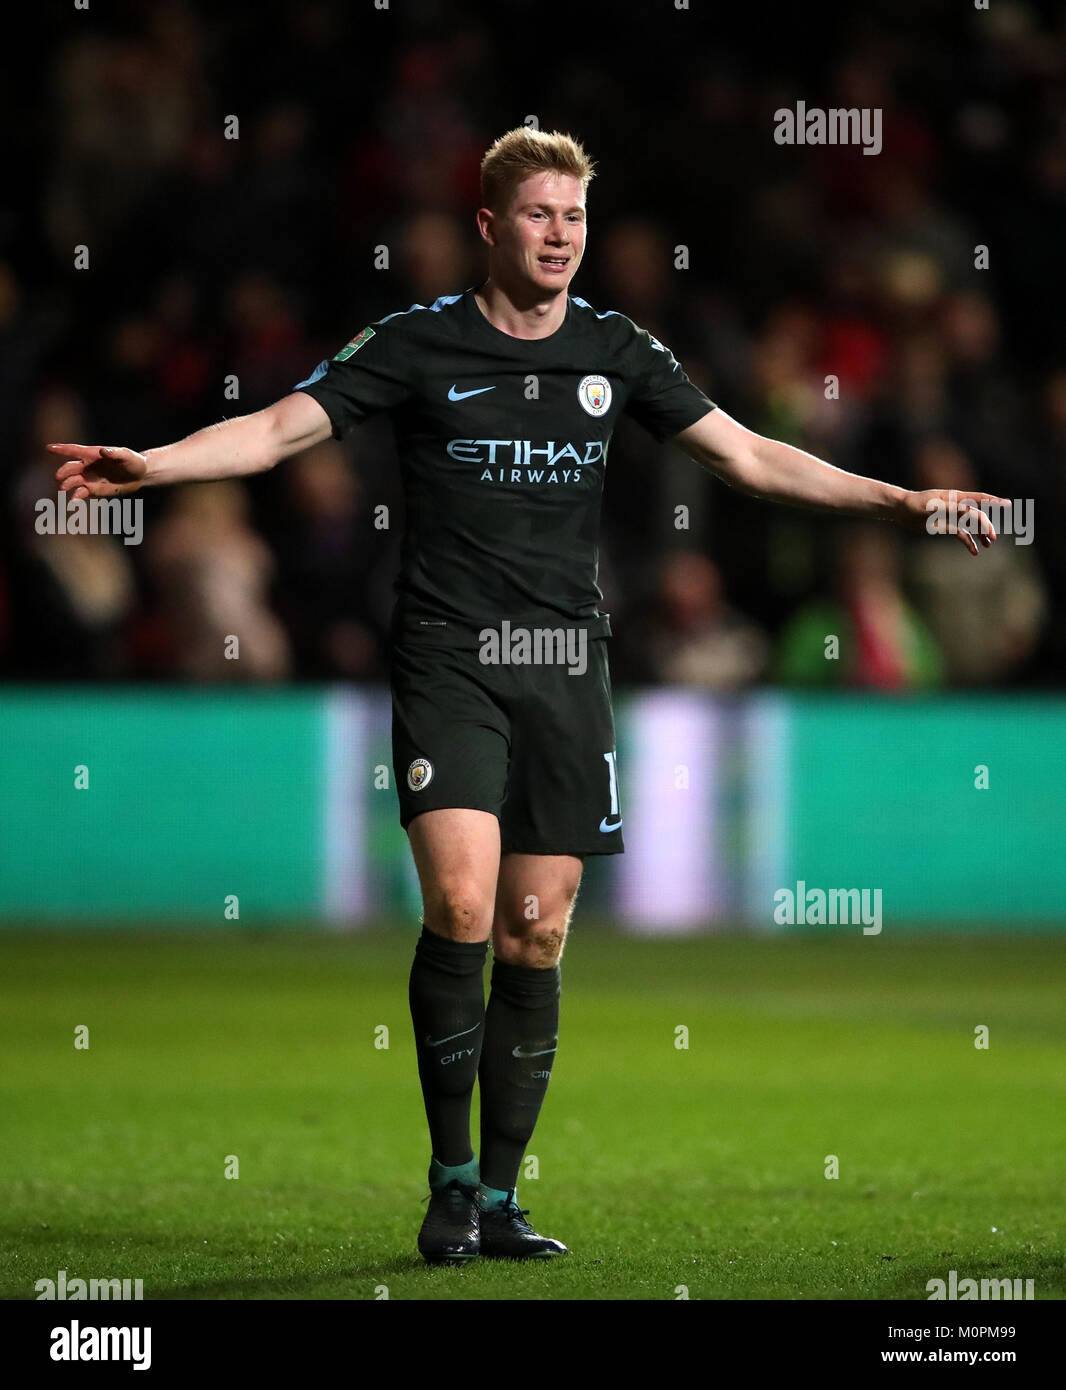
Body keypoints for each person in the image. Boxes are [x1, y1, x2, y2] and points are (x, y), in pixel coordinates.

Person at [49, 127, 1007, 1264]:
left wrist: (901, 501)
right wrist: (155, 465)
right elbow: (273, 429)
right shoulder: (415, 342)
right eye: (542, 216)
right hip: (449, 656)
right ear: (492, 228)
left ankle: (501, 1198)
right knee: (459, 905)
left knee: (535, 930)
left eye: (576, 218)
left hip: (564, 664)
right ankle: (449, 1181)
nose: (561, 236)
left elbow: (748, 456)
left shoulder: (618, 349)